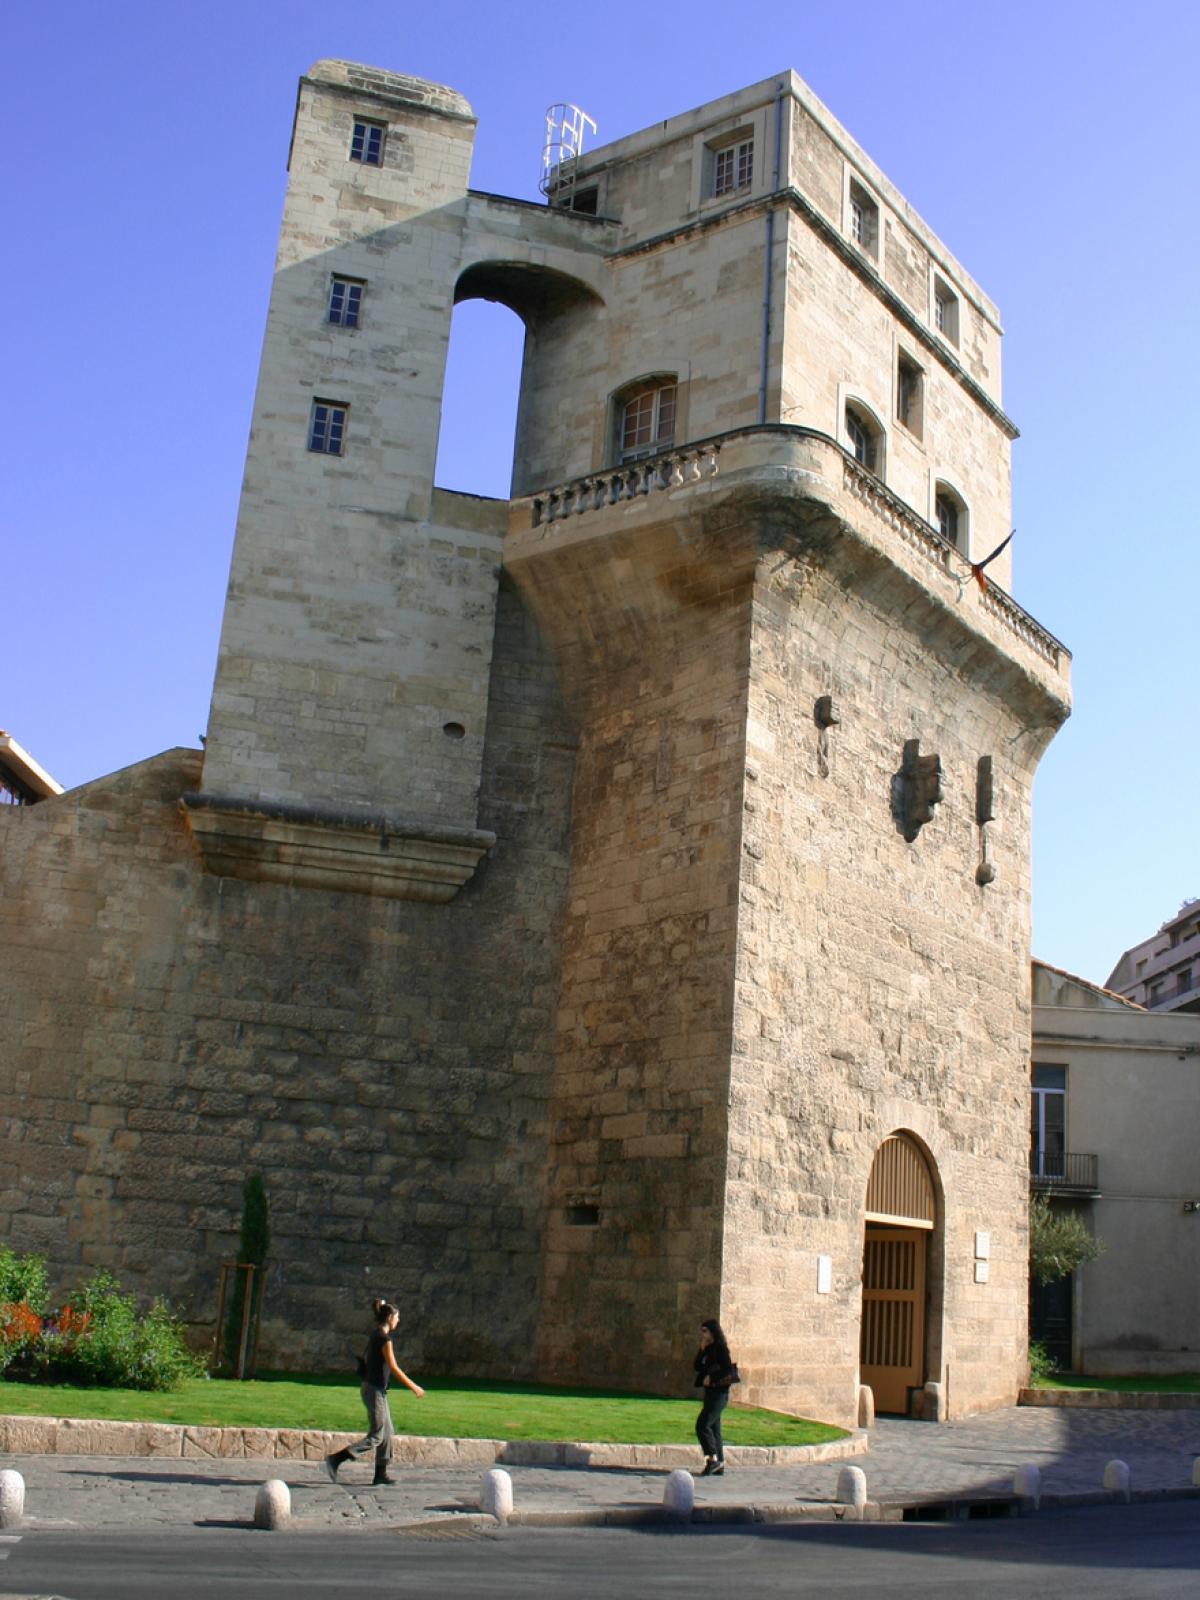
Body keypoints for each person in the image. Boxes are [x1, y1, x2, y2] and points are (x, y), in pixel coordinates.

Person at [325, 1299, 424, 1486]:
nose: (399, 1320)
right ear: (389, 1317)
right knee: (377, 1435)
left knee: (387, 1432)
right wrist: (414, 1387)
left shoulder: (376, 1334)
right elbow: (394, 1368)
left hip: (374, 1389)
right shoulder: (384, 1340)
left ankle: (380, 1474)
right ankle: (335, 1460)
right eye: (397, 1317)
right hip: (374, 1391)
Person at [693, 1317, 738, 1476]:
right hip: (710, 1393)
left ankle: (713, 1459)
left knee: (702, 1425)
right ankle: (720, 1464)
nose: (703, 1334)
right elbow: (697, 1366)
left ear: (712, 1331)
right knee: (714, 1429)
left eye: (705, 1331)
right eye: (702, 1331)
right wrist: (701, 1349)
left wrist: (712, 1378)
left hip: (719, 1394)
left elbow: (727, 1370)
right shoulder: (708, 1348)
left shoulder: (720, 1348)